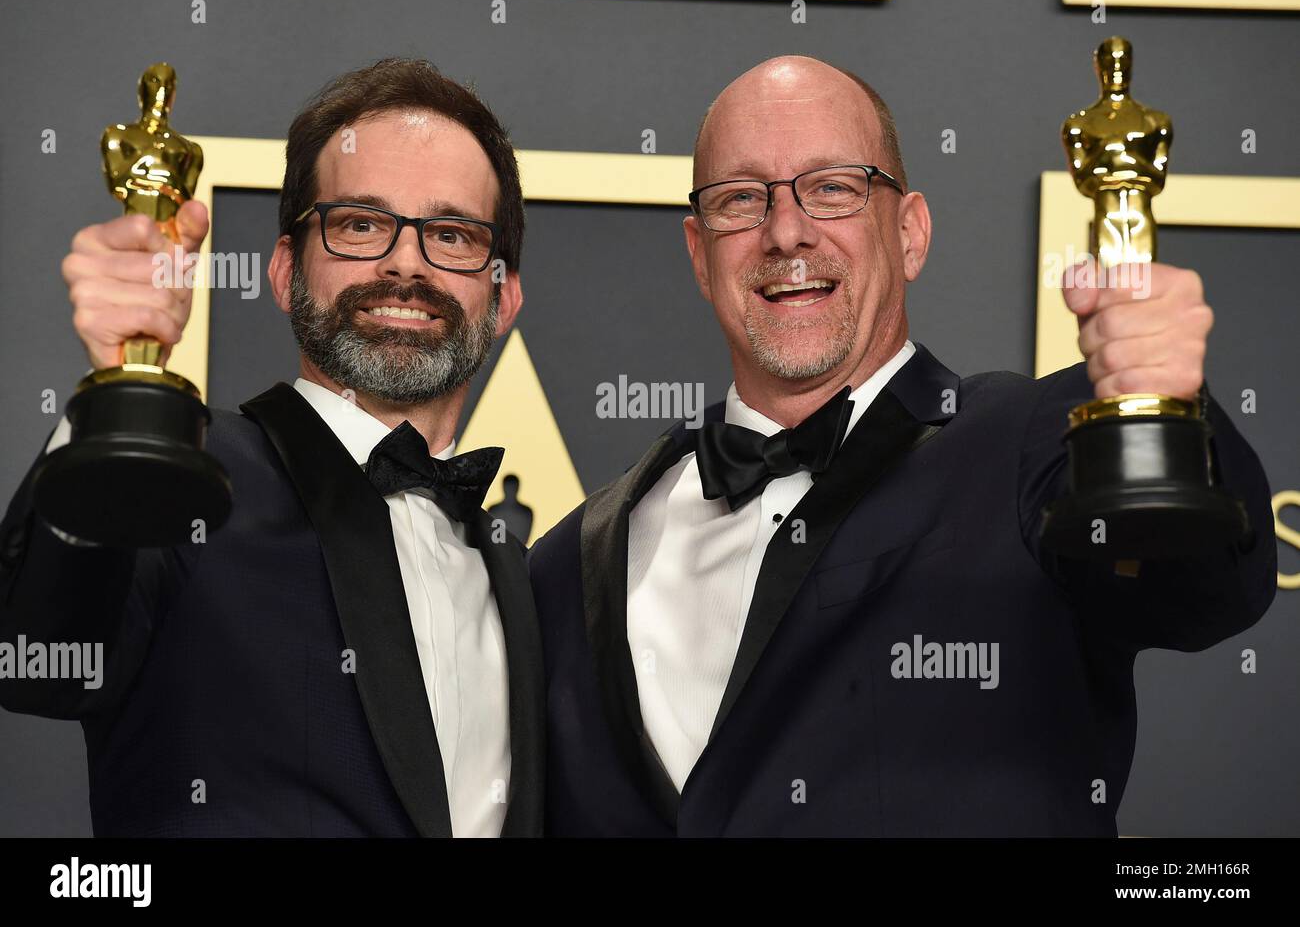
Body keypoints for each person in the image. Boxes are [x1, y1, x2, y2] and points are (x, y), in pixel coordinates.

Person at [527, 55, 1277, 836]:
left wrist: (1162, 408)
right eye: (742, 199)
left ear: (911, 233)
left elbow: (1203, 588)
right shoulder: (570, 559)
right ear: (698, 255)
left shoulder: (1032, 447)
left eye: (833, 187)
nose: (787, 231)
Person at [0, 58, 543, 837]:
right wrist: (121, 394)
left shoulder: (528, 580)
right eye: (360, 223)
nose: (405, 262)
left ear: (504, 296)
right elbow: (36, 659)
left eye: (451, 234)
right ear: (286, 271)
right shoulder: (187, 480)